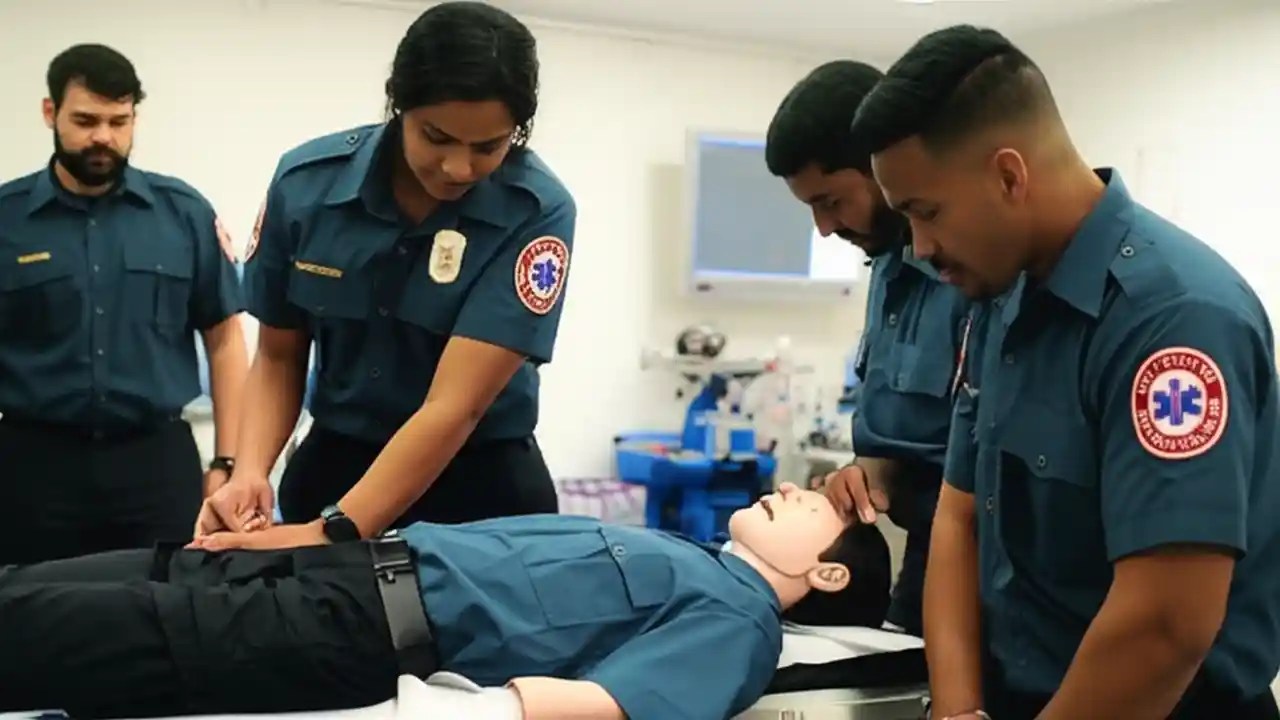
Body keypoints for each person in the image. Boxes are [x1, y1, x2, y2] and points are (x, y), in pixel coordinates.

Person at [849, 25, 1280, 720]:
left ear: (1009, 176)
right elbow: (959, 517)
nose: (920, 248)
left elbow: (1165, 626)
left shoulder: (1173, 321)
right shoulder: (1000, 295)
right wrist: (957, 711)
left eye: (926, 214)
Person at [0, 483, 877, 720]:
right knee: (36, 587)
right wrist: (285, 542)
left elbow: (610, 705)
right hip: (343, 571)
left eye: (817, 506)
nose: (792, 489)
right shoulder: (690, 554)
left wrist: (439, 711)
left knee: (44, 631)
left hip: (350, 628)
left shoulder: (740, 622)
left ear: (830, 574)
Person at [198, 1, 577, 547]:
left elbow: (455, 406)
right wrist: (249, 472)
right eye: (436, 137)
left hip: (479, 485)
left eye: (488, 147)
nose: (458, 168)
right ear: (398, 103)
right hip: (336, 462)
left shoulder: (535, 210)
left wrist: (335, 531)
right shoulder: (307, 187)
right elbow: (279, 356)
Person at [0, 44, 249, 565]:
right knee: (32, 606)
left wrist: (228, 462)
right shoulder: (8, 220)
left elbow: (225, 340)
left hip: (155, 464)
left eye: (119, 121)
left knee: (168, 601)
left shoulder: (182, 214)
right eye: (85, 120)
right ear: (50, 112)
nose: (103, 137)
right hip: (34, 466)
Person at [765, 60, 971, 637]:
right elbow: (906, 422)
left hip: (991, 555)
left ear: (883, 167)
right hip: (927, 547)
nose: (824, 228)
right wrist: (867, 471)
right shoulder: (885, 264)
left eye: (832, 201)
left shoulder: (972, 271)